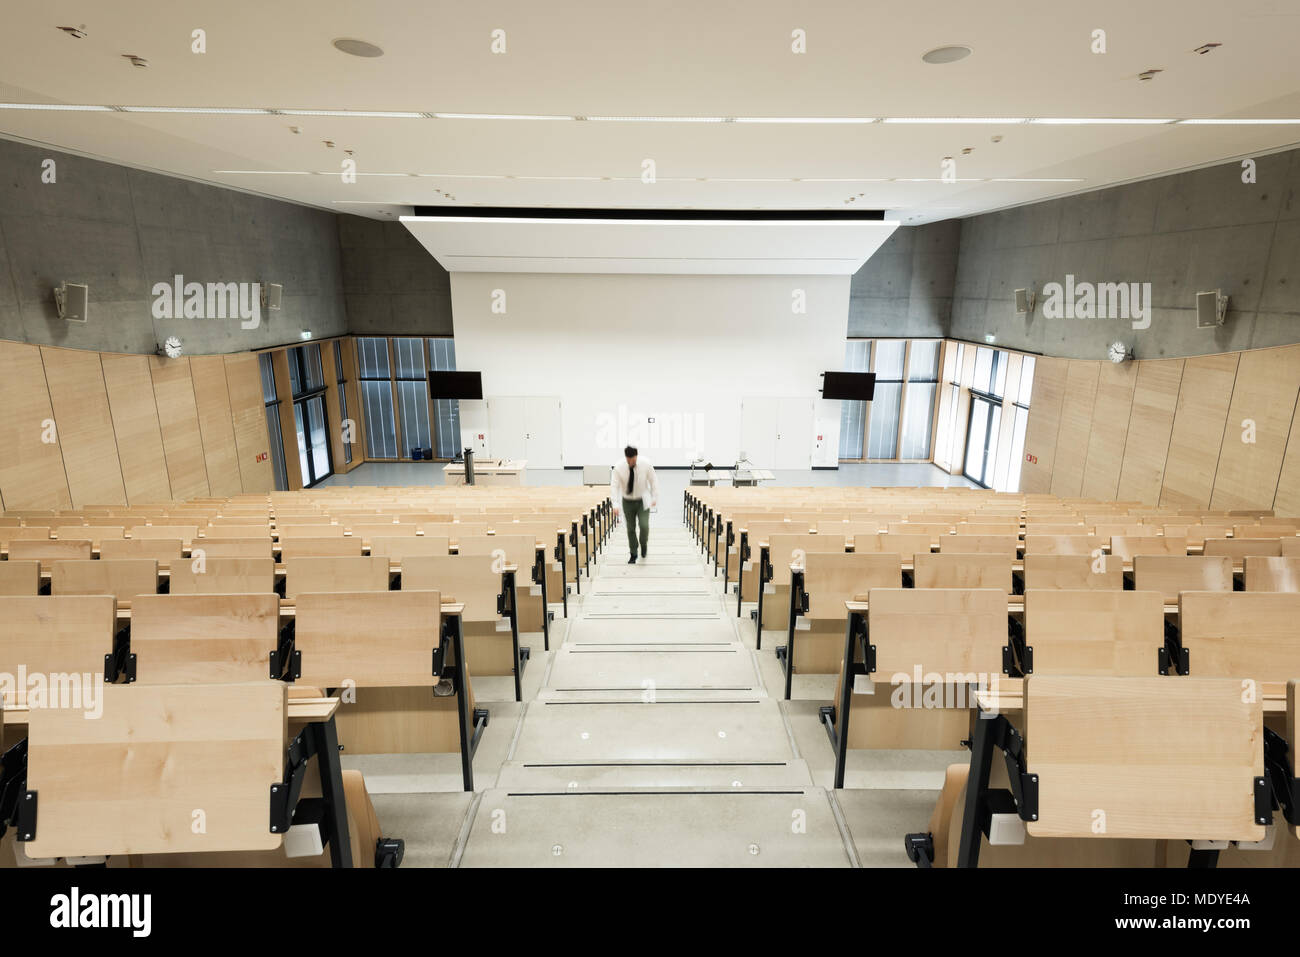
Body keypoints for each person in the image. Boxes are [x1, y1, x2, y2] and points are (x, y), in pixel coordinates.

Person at [611, 445, 658, 563]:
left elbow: (653, 480)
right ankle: (633, 553)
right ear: (625, 458)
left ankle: (644, 544)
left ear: (636, 456)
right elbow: (614, 486)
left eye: (632, 460)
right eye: (628, 460)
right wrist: (615, 504)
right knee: (630, 528)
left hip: (643, 500)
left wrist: (654, 496)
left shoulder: (646, 464)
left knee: (644, 526)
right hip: (627, 501)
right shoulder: (618, 468)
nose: (630, 462)